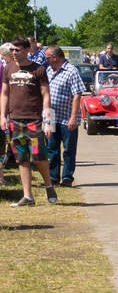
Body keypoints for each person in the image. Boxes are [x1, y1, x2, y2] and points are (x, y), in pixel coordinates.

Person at [0, 37, 56, 206]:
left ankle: (49, 185)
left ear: (26, 50)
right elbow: (4, 94)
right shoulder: (8, 68)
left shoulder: (38, 69)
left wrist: (49, 121)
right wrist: (2, 116)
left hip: (35, 121)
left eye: (17, 50)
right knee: (21, 158)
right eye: (12, 50)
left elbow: (46, 95)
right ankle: (28, 196)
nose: (14, 53)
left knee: (39, 157)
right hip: (15, 120)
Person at [44, 46, 86, 187]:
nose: (46, 60)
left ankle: (67, 178)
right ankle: (53, 177)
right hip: (52, 116)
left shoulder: (71, 71)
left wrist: (73, 117)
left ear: (55, 57)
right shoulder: (49, 70)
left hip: (67, 117)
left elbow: (77, 95)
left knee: (68, 149)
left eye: (47, 58)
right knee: (52, 148)